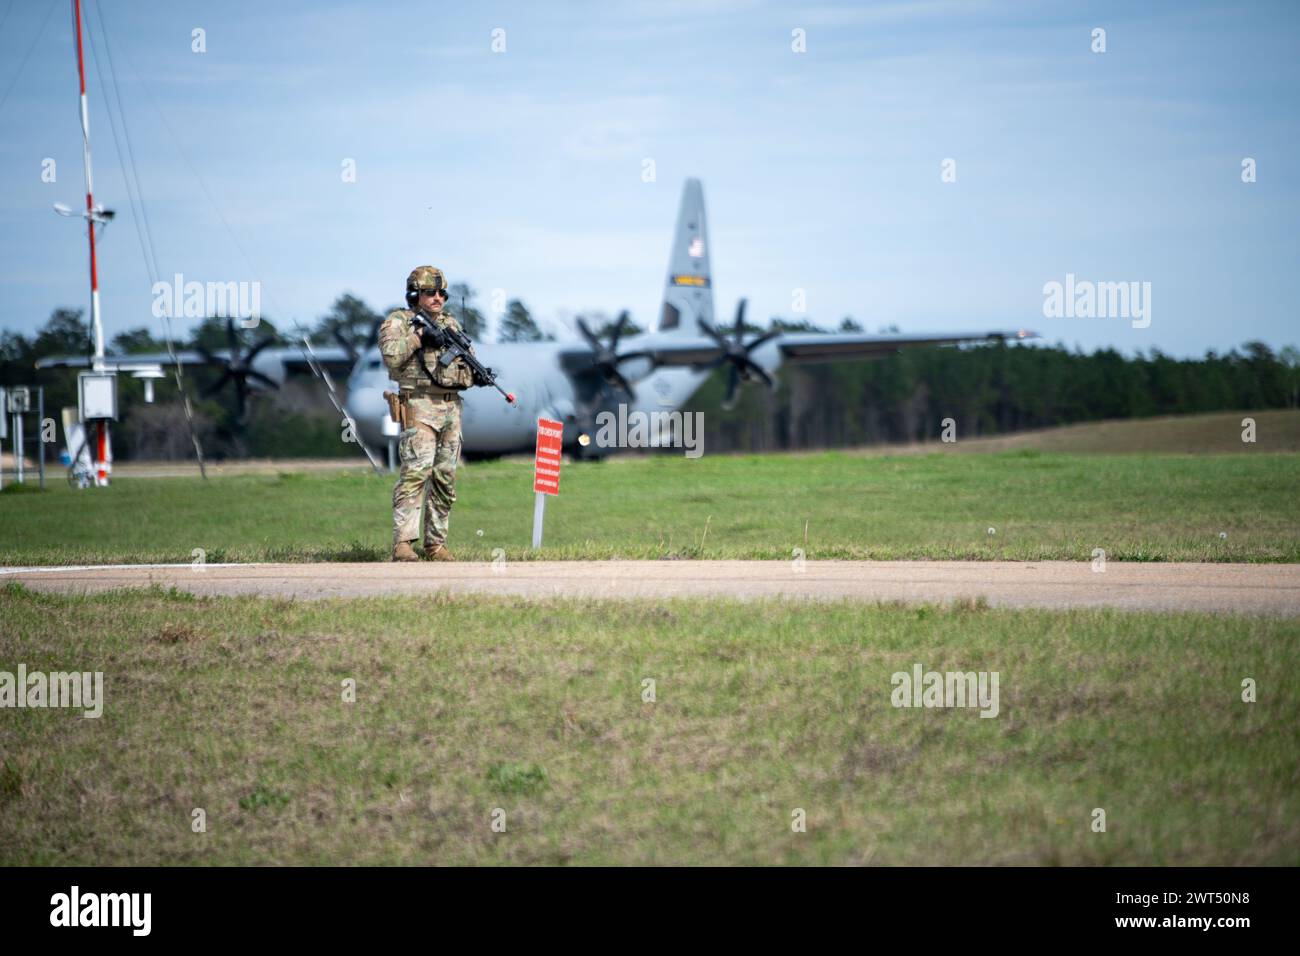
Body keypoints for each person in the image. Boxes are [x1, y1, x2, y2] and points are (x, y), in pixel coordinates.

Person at [378, 265, 477, 562]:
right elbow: (392, 356)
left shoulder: (451, 325)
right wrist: (419, 338)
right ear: (414, 294)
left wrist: (474, 375)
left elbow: (464, 363)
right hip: (418, 404)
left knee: (445, 477)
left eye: (441, 293)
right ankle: (404, 543)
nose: (438, 298)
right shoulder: (398, 322)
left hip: (449, 406)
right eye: (430, 293)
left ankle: (436, 544)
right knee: (416, 473)